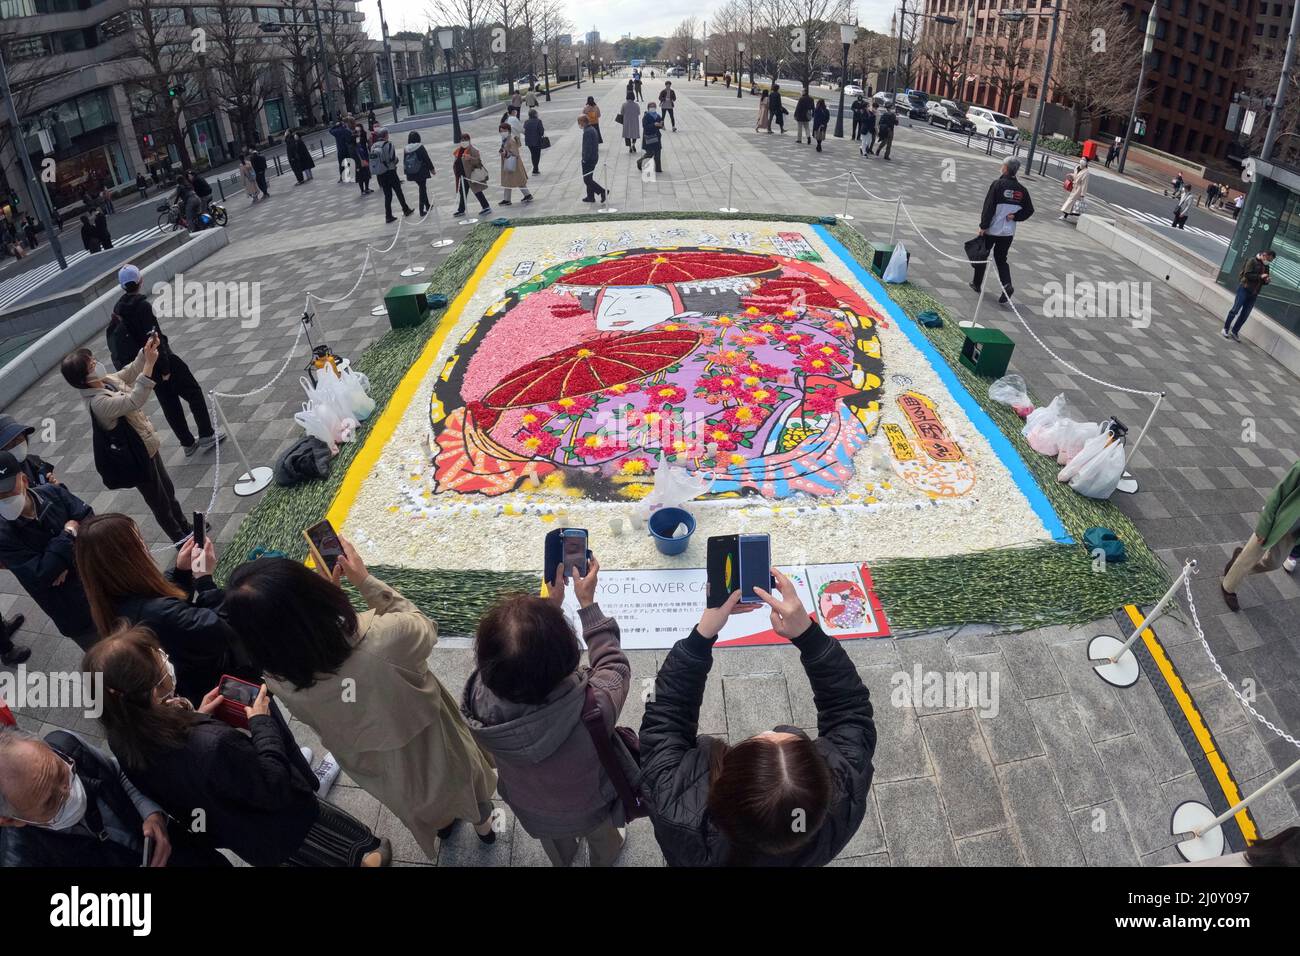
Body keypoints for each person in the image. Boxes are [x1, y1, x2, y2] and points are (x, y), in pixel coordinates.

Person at [223, 537, 499, 858]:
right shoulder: (384, 641)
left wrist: (320, 609)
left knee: (421, 803)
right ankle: (485, 829)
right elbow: (424, 627)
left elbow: (320, 654)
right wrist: (364, 581)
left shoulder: (278, 678)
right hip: (432, 743)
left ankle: (444, 826)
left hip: (377, 767)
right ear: (313, 593)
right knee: (468, 788)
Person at [85, 627, 391, 867]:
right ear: (151, 690)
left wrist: (196, 716)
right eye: (158, 660)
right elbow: (273, 783)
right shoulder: (214, 745)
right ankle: (370, 856)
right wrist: (261, 722)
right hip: (288, 821)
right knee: (341, 844)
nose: (165, 659)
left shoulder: (122, 736)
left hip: (245, 838)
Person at [639, 574, 875, 866]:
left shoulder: (672, 804)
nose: (770, 729)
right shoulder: (841, 802)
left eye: (759, 740)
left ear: (724, 788)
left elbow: (662, 713)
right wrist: (808, 635)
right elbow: (851, 709)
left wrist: (702, 635)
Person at [461, 557, 631, 867]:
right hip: (590, 804)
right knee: (604, 840)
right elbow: (614, 665)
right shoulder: (594, 707)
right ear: (566, 654)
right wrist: (587, 605)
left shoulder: (477, 700)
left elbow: (517, 659)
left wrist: (549, 608)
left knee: (555, 844)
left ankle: (563, 860)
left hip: (532, 808)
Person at [75, 513, 248, 704]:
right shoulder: (160, 613)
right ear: (127, 558)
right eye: (138, 541)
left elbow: (168, 611)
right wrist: (205, 581)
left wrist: (181, 573)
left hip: (190, 686)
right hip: (223, 685)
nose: (145, 546)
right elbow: (226, 629)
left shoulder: (109, 605)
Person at [0, 725, 228, 867]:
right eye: (51, 801)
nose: (68, 791)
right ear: (11, 820)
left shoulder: (65, 744)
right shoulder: (23, 859)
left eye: (62, 771)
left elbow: (117, 772)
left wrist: (151, 813)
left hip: (188, 854)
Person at [60, 340, 191, 544]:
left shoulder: (105, 380)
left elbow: (128, 373)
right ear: (82, 379)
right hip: (136, 457)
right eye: (92, 365)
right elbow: (134, 400)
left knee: (168, 490)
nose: (97, 364)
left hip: (147, 447)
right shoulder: (98, 403)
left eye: (94, 360)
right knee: (160, 503)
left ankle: (185, 527)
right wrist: (149, 365)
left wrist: (144, 352)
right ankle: (181, 541)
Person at [106, 264, 223, 458]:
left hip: (145, 366)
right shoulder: (142, 306)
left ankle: (187, 443)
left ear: (122, 286)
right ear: (140, 280)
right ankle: (206, 435)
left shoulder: (119, 309)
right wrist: (166, 367)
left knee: (169, 403)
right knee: (193, 391)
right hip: (161, 360)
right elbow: (153, 337)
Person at [0, 451, 97, 651]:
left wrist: (58, 562)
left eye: (7, 490)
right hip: (73, 612)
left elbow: (91, 522)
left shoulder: (53, 493)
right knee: (105, 660)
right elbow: (39, 575)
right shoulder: (3, 534)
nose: (4, 499)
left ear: (24, 481)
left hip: (102, 584)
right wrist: (70, 533)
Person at [1221, 458, 1300, 612]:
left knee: (1274, 563)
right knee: (1250, 556)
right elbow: (1279, 493)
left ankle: (1237, 562)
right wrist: (1264, 525)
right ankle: (1228, 586)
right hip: (1277, 521)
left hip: (1294, 533)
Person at [970, 157, 1034, 304]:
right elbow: (1030, 210)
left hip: (992, 229)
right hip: (1008, 232)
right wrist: (1016, 216)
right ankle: (1007, 285)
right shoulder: (1022, 190)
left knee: (982, 255)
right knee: (1001, 259)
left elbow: (989, 207)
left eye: (1002, 165)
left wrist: (983, 226)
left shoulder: (998, 185)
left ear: (1005, 168)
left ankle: (977, 283)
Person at [1222, 249, 1275, 341]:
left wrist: (1266, 281)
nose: (1269, 262)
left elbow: (1263, 281)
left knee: (1245, 314)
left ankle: (1234, 331)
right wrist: (1260, 276)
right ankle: (1225, 329)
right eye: (1269, 259)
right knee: (1235, 310)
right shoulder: (1252, 261)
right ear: (1265, 255)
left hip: (1254, 293)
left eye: (1270, 261)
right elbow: (1247, 275)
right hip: (1244, 289)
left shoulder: (1266, 266)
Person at [369, 127, 414, 223]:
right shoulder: (388, 144)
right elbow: (393, 159)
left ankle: (388, 215)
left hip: (380, 173)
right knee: (398, 191)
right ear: (386, 135)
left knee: (387, 194)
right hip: (390, 171)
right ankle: (406, 209)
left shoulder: (373, 146)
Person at [0, 414, 57, 488]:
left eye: (19, 439)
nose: (17, 445)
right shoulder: (4, 481)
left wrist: (55, 488)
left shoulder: (35, 462)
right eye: (9, 444)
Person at [453, 133, 492, 218]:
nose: (464, 142)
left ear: (469, 140)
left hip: (471, 175)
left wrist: (470, 158)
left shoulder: (473, 150)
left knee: (477, 191)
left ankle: (486, 207)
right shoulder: (458, 150)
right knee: (463, 192)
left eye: (465, 140)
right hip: (462, 175)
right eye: (462, 140)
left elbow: (478, 161)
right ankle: (461, 210)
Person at [497, 122, 533, 206]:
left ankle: (508, 199)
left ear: (509, 131)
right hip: (511, 163)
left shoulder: (511, 140)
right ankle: (526, 195)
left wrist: (505, 153)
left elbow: (515, 153)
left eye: (504, 130)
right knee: (515, 181)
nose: (503, 132)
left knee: (510, 181)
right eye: (501, 131)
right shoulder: (506, 139)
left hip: (512, 163)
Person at [403, 131, 436, 216]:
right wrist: (432, 169)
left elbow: (405, 161)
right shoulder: (420, 147)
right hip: (421, 171)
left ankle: (427, 205)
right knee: (422, 189)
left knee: (422, 187)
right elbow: (426, 158)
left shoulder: (406, 148)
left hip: (411, 172)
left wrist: (406, 172)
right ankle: (421, 210)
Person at [580, 114, 607, 203]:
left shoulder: (588, 131)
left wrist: (585, 159)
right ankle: (590, 197)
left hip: (589, 159)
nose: (579, 125)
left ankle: (603, 191)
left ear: (583, 122)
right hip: (593, 157)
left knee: (587, 179)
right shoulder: (591, 129)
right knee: (589, 178)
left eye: (579, 122)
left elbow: (587, 147)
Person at [636, 103, 663, 174]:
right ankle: (639, 162)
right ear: (648, 108)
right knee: (649, 154)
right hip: (649, 137)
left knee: (658, 153)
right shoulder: (646, 116)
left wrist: (661, 125)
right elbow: (645, 127)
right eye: (651, 107)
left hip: (657, 137)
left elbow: (661, 125)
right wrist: (654, 124)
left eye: (654, 106)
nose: (653, 108)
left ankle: (658, 169)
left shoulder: (658, 116)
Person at [523, 108, 545, 175]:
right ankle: (535, 169)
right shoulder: (538, 121)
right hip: (537, 140)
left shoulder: (526, 121)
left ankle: (535, 168)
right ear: (535, 114)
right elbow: (541, 132)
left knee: (533, 154)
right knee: (537, 155)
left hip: (529, 141)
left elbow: (524, 131)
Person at [352, 129, 373, 195]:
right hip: (358, 163)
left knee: (367, 175)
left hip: (363, 161)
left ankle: (366, 188)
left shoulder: (359, 144)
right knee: (361, 177)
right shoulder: (353, 145)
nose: (359, 137)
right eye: (358, 134)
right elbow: (355, 154)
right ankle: (362, 190)